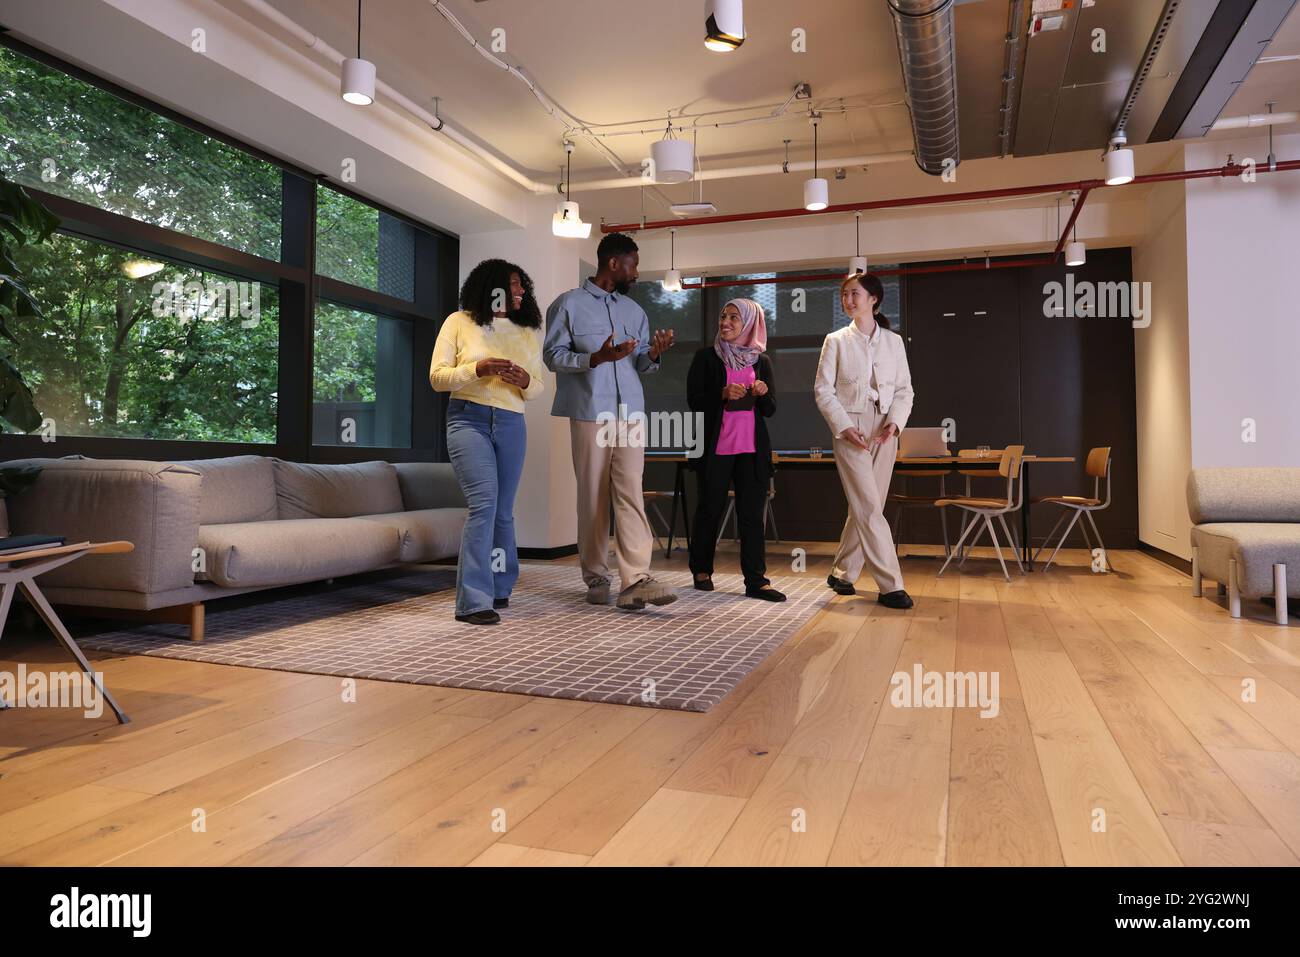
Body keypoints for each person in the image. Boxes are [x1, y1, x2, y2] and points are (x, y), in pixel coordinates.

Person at [543, 232, 678, 611]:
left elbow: (640, 367)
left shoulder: (634, 312)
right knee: (592, 495)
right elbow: (552, 357)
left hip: (630, 412)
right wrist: (596, 359)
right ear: (614, 264)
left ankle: (635, 578)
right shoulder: (567, 304)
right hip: (589, 410)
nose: (637, 272)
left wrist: (653, 353)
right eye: (633, 264)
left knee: (630, 491)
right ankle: (597, 576)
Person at [430, 259, 545, 625]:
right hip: (468, 418)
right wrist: (477, 369)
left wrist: (524, 379)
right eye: (514, 284)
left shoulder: (526, 331)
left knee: (503, 511)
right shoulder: (459, 322)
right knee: (483, 506)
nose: (521, 291)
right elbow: (437, 378)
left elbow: (537, 387)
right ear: (492, 286)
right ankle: (473, 601)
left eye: (521, 285)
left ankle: (499, 585)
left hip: (512, 422)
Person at [813, 272, 915, 609]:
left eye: (854, 293)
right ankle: (891, 585)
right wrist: (843, 426)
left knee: (867, 506)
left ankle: (842, 572)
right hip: (850, 429)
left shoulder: (893, 342)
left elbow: (904, 391)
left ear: (873, 299)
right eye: (844, 295)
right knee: (870, 506)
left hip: (885, 430)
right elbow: (823, 391)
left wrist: (895, 425)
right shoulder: (836, 340)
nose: (848, 300)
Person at [686, 298, 785, 601]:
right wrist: (722, 393)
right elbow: (694, 401)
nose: (725, 322)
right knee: (709, 510)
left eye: (734, 318)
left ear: (750, 324)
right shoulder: (705, 357)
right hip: (716, 449)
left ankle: (756, 581)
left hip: (752, 450)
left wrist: (763, 392)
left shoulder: (761, 361)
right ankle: (702, 570)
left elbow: (769, 410)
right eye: (723, 316)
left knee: (752, 516)